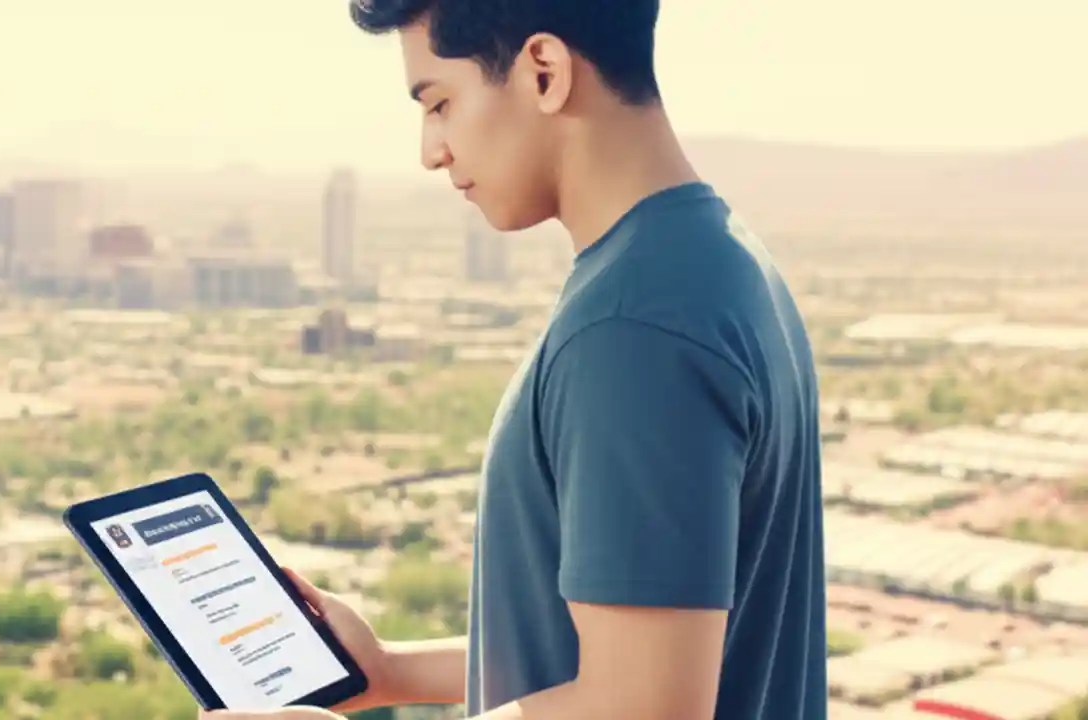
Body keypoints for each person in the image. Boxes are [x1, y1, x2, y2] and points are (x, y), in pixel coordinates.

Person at [205, 0, 826, 717]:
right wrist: (390, 671)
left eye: (439, 104)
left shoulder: (633, 328)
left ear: (544, 72)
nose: (431, 151)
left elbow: (641, 706)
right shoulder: (714, 261)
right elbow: (637, 648)